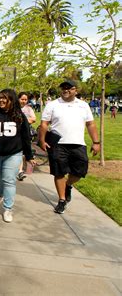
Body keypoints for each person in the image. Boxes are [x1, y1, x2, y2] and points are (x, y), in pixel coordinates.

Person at [39, 80, 100, 214]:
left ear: (75, 90)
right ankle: (61, 201)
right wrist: (42, 140)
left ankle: (68, 185)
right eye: (63, 88)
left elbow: (90, 124)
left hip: (78, 143)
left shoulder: (83, 105)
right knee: (59, 172)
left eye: (69, 88)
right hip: (58, 145)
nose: (66, 90)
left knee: (79, 172)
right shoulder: (52, 105)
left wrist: (96, 142)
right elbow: (44, 124)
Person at [0, 89, 35, 223]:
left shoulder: (19, 116)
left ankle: (8, 208)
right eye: (0, 97)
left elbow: (26, 137)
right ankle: (0, 195)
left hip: (13, 154)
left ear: (11, 100)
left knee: (9, 180)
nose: (1, 100)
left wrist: (29, 156)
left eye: (4, 98)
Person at [17, 92, 36, 181]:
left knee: (22, 152)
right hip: (16, 133)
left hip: (25, 132)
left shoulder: (28, 109)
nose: (24, 101)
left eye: (25, 99)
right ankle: (19, 170)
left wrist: (23, 120)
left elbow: (34, 119)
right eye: (22, 99)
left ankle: (20, 171)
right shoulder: (14, 108)